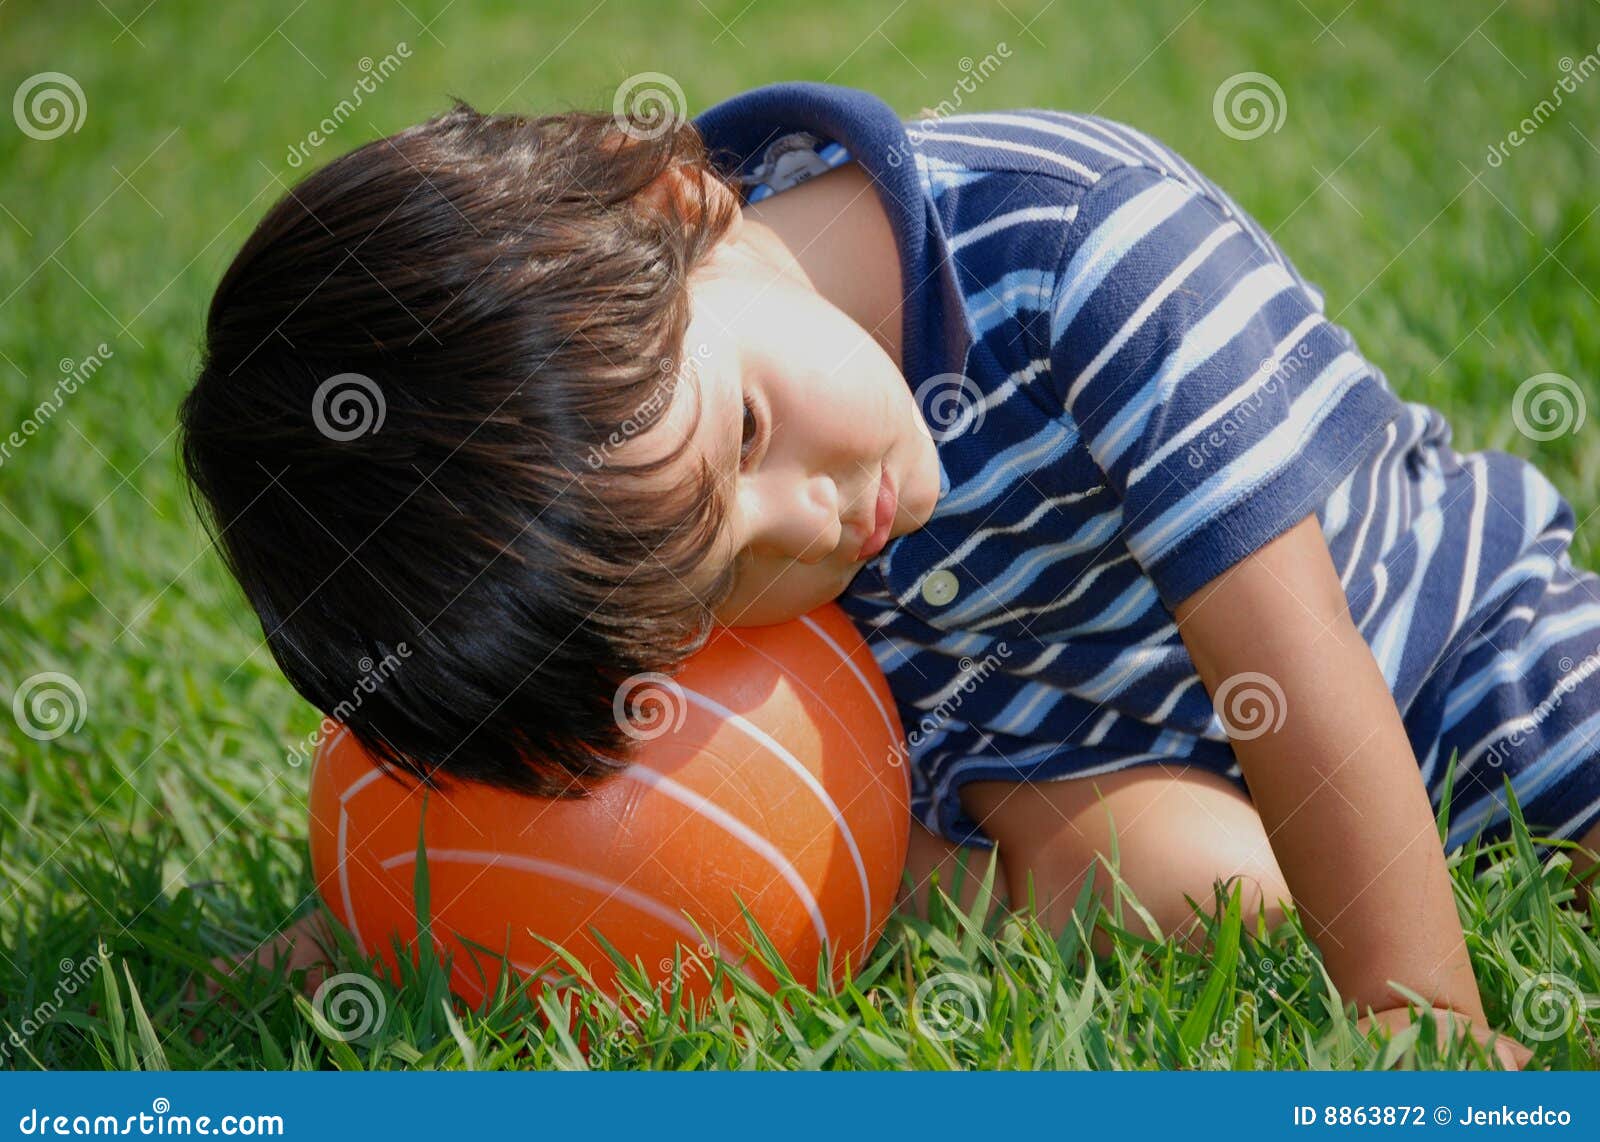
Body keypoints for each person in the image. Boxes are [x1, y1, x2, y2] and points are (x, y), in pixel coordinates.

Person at [180, 82, 1600, 1067]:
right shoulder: (620, 483)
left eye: (744, 432)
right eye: (715, 581)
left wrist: (1415, 1013)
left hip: (1423, 644)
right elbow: (573, 738)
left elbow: (1294, 668)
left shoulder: (1084, 246)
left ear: (686, 202)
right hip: (1045, 761)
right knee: (1196, 895)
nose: (809, 526)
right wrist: (400, 903)